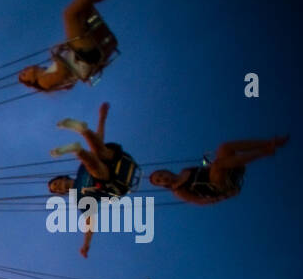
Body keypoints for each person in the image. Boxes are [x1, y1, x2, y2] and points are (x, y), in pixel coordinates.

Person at [19, 0, 131, 92]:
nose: (24, 69)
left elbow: (67, 78)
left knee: (84, 7)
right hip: (86, 57)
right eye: (24, 74)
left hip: (86, 55)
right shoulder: (43, 82)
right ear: (31, 81)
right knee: (69, 15)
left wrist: (61, 52)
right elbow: (63, 72)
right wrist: (57, 55)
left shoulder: (47, 73)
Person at [48, 103, 136, 257]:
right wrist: (86, 244)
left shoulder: (80, 171)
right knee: (94, 168)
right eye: (56, 190)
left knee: (98, 151)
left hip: (113, 159)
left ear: (62, 178)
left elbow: (99, 141)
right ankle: (78, 150)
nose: (59, 187)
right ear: (62, 193)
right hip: (111, 182)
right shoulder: (79, 198)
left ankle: (82, 130)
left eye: (56, 184)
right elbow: (89, 221)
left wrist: (102, 117)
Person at [150, 137, 287, 205]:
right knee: (218, 165)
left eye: (161, 175)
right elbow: (200, 201)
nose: (163, 178)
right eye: (159, 181)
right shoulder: (178, 190)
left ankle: (269, 142)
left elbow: (207, 169)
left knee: (224, 148)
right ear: (162, 185)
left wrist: (219, 161)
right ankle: (265, 152)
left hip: (221, 172)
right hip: (218, 186)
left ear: (166, 171)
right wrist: (224, 197)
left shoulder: (185, 170)